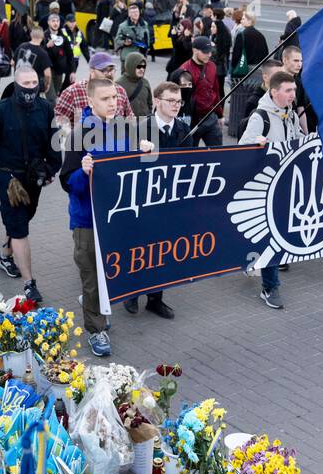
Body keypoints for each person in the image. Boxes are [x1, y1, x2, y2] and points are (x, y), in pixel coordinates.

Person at [61, 78, 147, 357]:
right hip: (88, 219)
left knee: (110, 272)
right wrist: (82, 173)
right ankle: (96, 330)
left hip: (117, 217)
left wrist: (146, 153)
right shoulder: (80, 134)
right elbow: (67, 182)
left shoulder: (125, 130)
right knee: (91, 276)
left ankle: (98, 306)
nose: (112, 103)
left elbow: (134, 171)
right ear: (90, 102)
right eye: (105, 99)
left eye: (114, 98)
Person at [0, 64, 62, 303]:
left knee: (22, 219)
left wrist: (51, 168)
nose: (30, 87)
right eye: (25, 84)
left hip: (34, 178)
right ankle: (29, 283)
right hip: (7, 178)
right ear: (16, 84)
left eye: (34, 83)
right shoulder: (0, 111)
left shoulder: (46, 109)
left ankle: (5, 255)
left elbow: (54, 143)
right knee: (19, 227)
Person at [239, 70, 307, 309]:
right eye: (288, 91)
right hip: (264, 187)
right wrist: (256, 144)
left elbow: (297, 139)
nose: (292, 94)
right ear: (274, 91)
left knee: (268, 237)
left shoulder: (289, 114)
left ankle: (251, 259)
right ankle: (271, 287)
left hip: (285, 185)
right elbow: (242, 146)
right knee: (270, 237)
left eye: (294, 90)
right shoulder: (261, 116)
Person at [122, 82, 187, 320]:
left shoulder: (183, 129)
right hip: (143, 201)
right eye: (171, 100)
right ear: (157, 101)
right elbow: (127, 166)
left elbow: (189, 165)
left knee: (162, 250)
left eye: (179, 101)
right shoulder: (141, 129)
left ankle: (155, 299)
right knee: (140, 247)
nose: (176, 106)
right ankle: (131, 292)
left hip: (169, 201)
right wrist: (140, 153)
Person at [54, 52, 134, 127]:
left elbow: (130, 119)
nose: (109, 74)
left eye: (111, 70)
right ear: (92, 71)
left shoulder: (120, 91)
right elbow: (58, 122)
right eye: (104, 70)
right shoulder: (72, 92)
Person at [227, 12, 270, 140]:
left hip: (245, 73)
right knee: (253, 100)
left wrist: (233, 71)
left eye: (244, 18)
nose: (242, 20)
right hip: (259, 72)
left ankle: (238, 125)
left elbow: (236, 55)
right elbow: (266, 53)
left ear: (250, 21)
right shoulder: (260, 35)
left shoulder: (242, 35)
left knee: (242, 101)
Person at [176, 37, 224, 147]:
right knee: (190, 156)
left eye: (210, 52)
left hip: (210, 117)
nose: (209, 55)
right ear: (195, 50)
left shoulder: (212, 66)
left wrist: (220, 114)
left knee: (218, 153)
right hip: (192, 120)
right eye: (205, 52)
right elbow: (179, 98)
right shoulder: (184, 70)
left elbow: (216, 91)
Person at [280, 44, 317, 133]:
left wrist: (306, 133)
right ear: (285, 60)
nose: (299, 64)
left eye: (301, 61)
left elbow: (300, 107)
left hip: (293, 127)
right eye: (296, 61)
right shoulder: (275, 80)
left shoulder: (299, 82)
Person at [44, 13, 77, 101]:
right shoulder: (44, 36)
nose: (55, 23)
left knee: (56, 93)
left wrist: (72, 71)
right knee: (51, 97)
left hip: (59, 71)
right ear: (48, 22)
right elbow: (39, 52)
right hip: (48, 70)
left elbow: (70, 55)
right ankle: (51, 112)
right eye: (53, 21)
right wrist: (46, 47)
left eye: (57, 21)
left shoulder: (63, 36)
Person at [14, 26, 54, 94]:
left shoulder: (21, 46)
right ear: (42, 37)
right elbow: (47, 74)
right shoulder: (43, 53)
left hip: (19, 83)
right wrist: (47, 85)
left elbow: (12, 62)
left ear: (31, 35)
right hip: (32, 86)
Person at [117, 51, 152, 118]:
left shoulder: (145, 82)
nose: (142, 69)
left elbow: (149, 103)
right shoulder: (119, 84)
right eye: (138, 66)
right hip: (128, 124)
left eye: (144, 66)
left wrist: (148, 115)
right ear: (131, 66)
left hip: (145, 123)